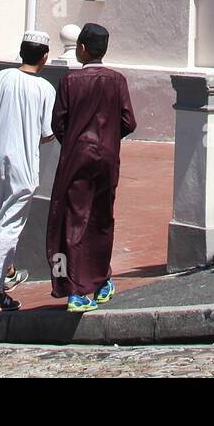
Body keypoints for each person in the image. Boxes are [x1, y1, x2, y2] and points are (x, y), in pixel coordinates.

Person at [45, 22, 136, 312]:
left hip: (77, 158)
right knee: (101, 218)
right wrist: (108, 138)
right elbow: (128, 122)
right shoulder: (117, 81)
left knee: (74, 221)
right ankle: (101, 280)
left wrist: (74, 140)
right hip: (107, 158)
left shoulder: (70, 82)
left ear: (81, 49)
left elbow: (58, 123)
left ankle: (77, 290)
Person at [0, 30, 56, 312]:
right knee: (10, 224)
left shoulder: (2, 77)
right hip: (23, 163)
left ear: (21, 52)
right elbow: (47, 134)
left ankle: (9, 271)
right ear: (44, 56)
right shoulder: (45, 89)